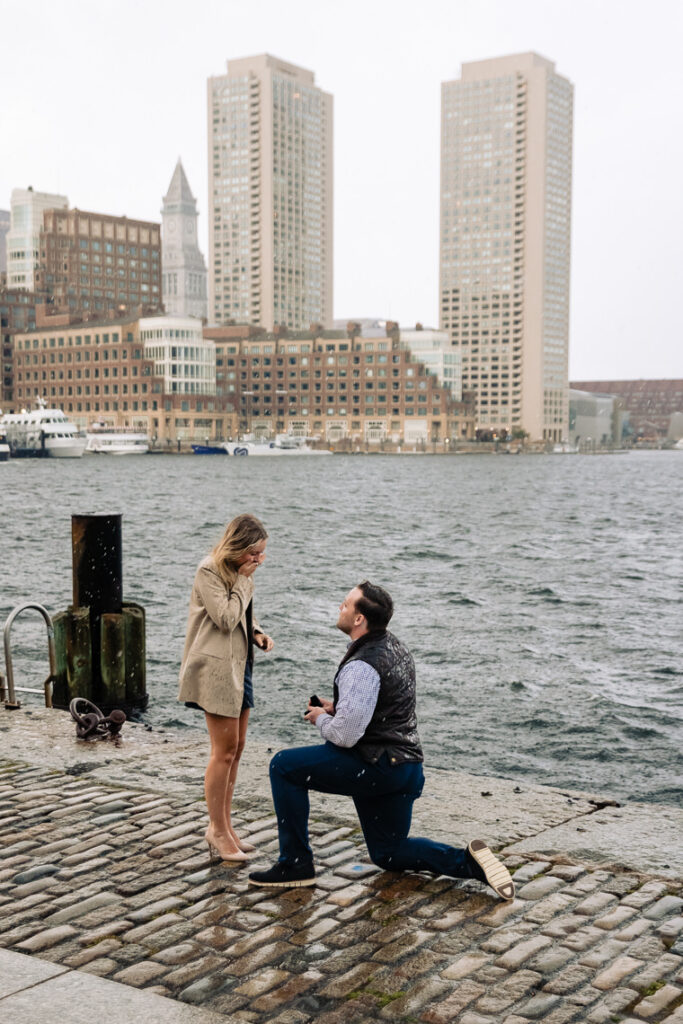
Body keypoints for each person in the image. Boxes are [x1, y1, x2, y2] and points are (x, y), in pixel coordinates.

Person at [248, 581, 514, 899]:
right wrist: (337, 708)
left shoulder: (361, 666)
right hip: (406, 769)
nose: (340, 608)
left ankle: (295, 864)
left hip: (375, 767)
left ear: (359, 618)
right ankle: (467, 862)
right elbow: (384, 707)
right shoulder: (395, 648)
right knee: (388, 853)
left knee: (283, 766)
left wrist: (321, 718)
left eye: (346, 604)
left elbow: (346, 736)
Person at [179, 513, 273, 862]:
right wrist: (245, 582)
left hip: (240, 665)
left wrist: (259, 632)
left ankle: (226, 825)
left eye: (262, 554)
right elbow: (225, 617)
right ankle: (216, 831)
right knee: (223, 752)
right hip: (215, 669)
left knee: (237, 748)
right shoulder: (210, 571)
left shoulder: (238, 575)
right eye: (255, 554)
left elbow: (244, 617)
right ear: (238, 548)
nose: (259, 561)